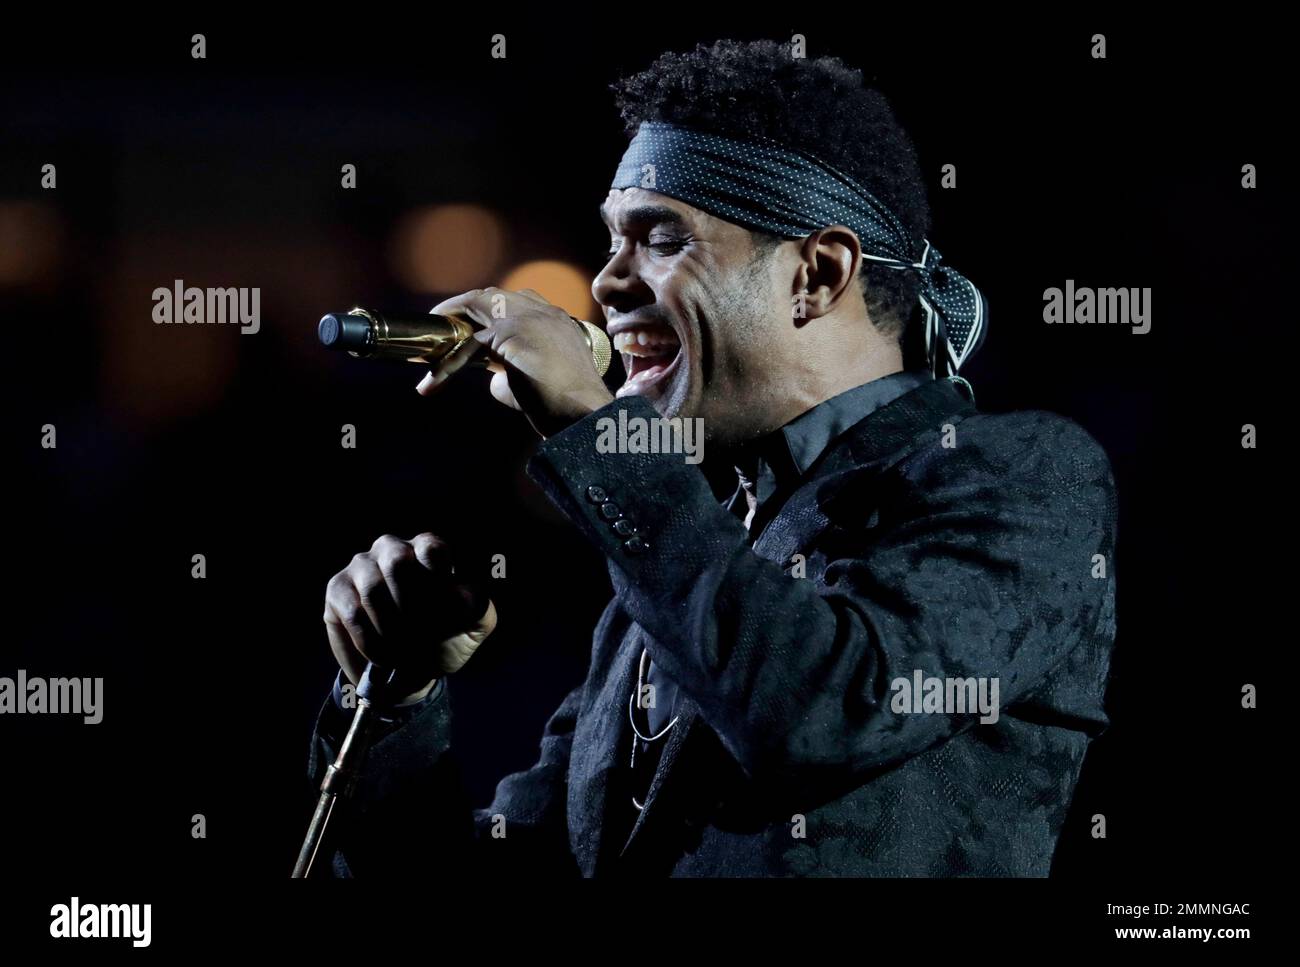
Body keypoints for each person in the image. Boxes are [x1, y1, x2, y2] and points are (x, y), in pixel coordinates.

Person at [307, 38, 1117, 877]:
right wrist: (394, 701)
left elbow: (822, 708)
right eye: (610, 244)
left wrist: (595, 425)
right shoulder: (683, 558)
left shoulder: (1022, 474)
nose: (607, 283)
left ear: (817, 273)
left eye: (659, 239)